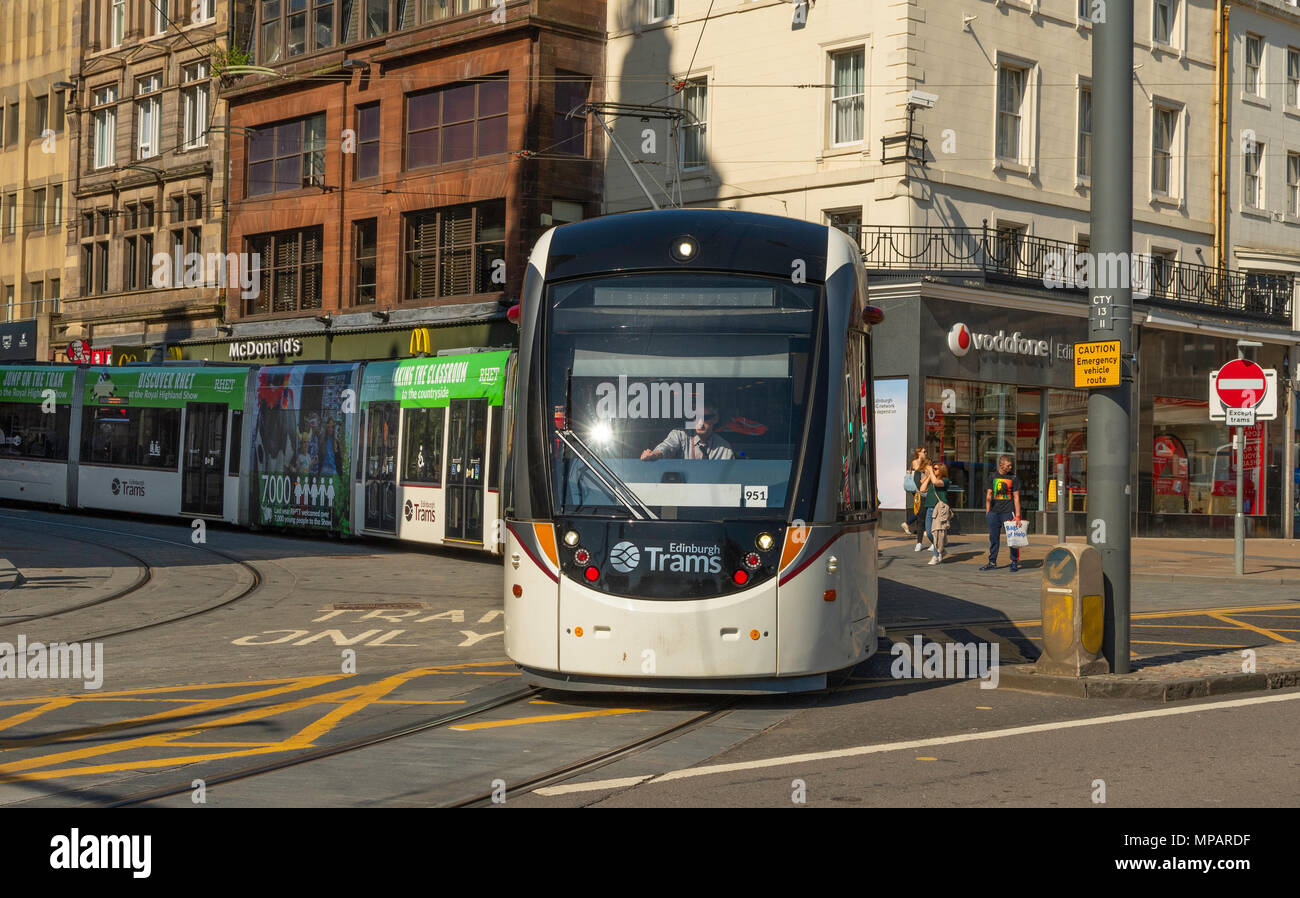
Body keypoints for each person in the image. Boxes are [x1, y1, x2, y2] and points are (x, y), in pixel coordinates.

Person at [641, 404, 734, 460]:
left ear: (715, 419)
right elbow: (667, 447)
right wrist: (654, 455)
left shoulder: (724, 448)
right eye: (696, 417)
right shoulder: (680, 435)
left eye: (705, 418)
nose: (700, 422)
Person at [981, 454, 1022, 572]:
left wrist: (1017, 516)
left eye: (1011, 465)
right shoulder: (992, 476)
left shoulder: (1013, 478)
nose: (1010, 467)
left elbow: (1016, 498)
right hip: (994, 513)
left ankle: (1014, 561)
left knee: (1012, 539)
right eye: (1008, 465)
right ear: (1001, 465)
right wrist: (988, 511)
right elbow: (989, 494)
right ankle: (992, 562)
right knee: (993, 538)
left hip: (1008, 512)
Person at [923, 462, 951, 564]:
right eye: (933, 468)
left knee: (936, 533)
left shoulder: (945, 480)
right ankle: (941, 550)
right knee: (929, 533)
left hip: (939, 511)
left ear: (942, 470)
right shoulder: (932, 479)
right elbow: (922, 489)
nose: (934, 470)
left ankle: (935, 556)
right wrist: (928, 476)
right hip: (930, 509)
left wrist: (930, 471)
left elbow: (936, 483)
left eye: (936, 469)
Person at [902, 447, 926, 538]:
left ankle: (910, 524)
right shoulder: (915, 462)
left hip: (920, 488)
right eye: (924, 452)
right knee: (920, 509)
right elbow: (918, 473)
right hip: (917, 489)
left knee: (921, 508)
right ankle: (909, 523)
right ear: (919, 453)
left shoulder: (923, 462)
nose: (925, 453)